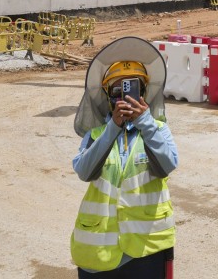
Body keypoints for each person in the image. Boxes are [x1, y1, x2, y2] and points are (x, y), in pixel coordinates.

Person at [71, 38, 177, 277]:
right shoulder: (96, 134)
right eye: (118, 91)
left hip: (147, 249)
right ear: (109, 96)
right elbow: (84, 171)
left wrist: (145, 124)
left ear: (144, 93)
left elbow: (168, 165)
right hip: (100, 252)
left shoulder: (158, 129)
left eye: (132, 88)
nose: (125, 97)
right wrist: (113, 129)